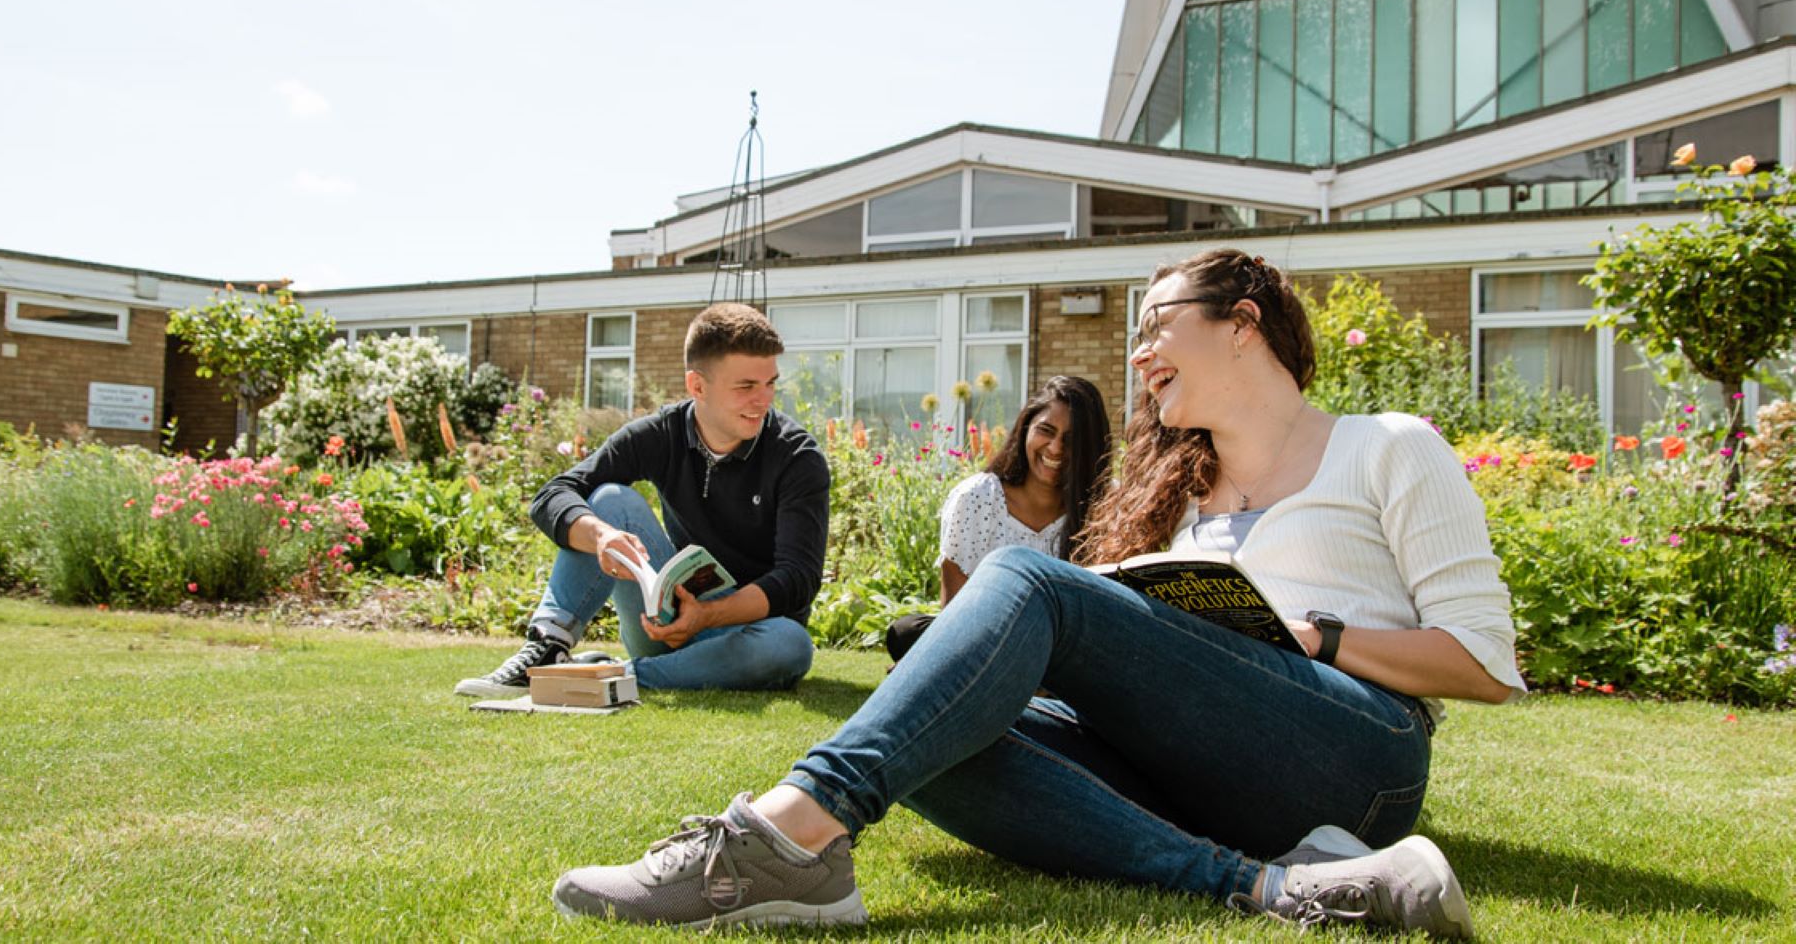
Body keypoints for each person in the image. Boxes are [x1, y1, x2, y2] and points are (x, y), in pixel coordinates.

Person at [547, 249, 1526, 938]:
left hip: (1356, 754)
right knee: (944, 733)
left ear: (1242, 325)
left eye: (1157, 326)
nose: (1139, 355)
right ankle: (1271, 886)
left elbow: (1486, 666)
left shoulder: (1385, 447)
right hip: (1213, 775)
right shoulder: (1183, 497)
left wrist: (1318, 638)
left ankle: (777, 842)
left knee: (1024, 580)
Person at [454, 302, 829, 696]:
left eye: (770, 383)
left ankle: (618, 674)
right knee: (610, 500)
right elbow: (552, 494)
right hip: (663, 622)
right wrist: (601, 536)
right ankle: (547, 648)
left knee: (791, 645)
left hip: (749, 635)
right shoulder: (660, 435)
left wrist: (707, 615)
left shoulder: (797, 457)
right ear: (697, 386)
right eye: (746, 386)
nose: (763, 400)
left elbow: (798, 578)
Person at [883, 375, 1112, 662]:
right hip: (989, 641)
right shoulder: (976, 497)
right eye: (1046, 431)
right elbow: (955, 614)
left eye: (1071, 440)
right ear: (1026, 428)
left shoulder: (1108, 506)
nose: (1055, 448)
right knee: (907, 632)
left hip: (1066, 652)